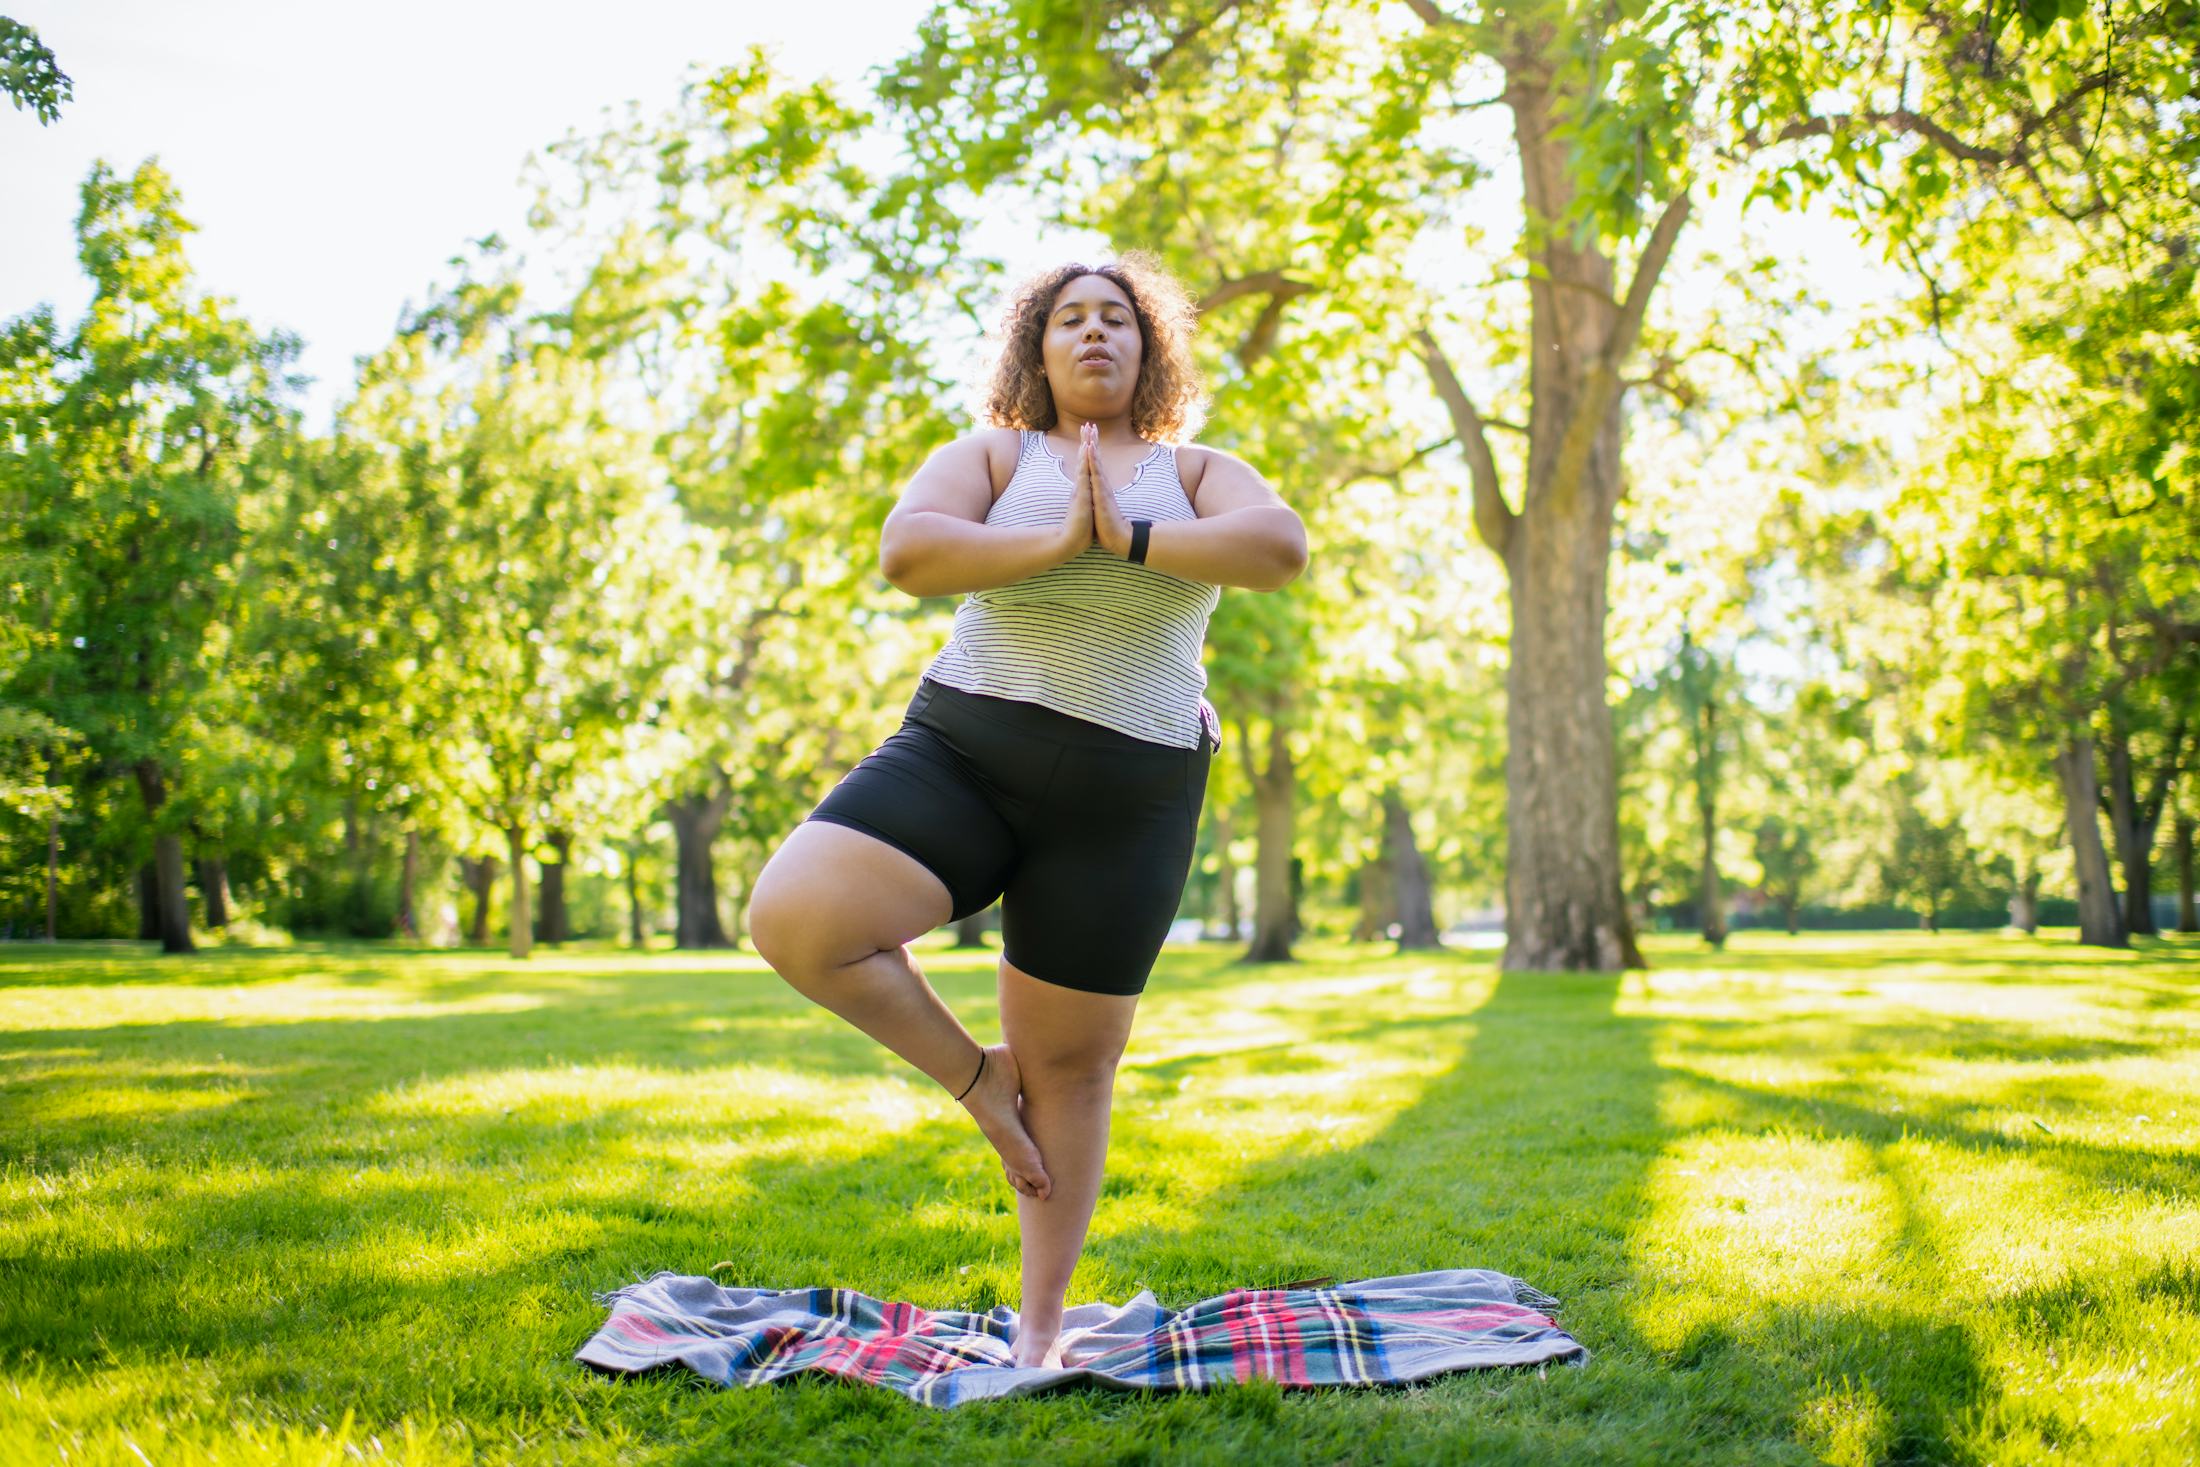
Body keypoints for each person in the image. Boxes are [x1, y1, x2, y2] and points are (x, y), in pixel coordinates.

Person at [745, 251, 1308, 1369]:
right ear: (1035, 350)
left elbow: (1279, 549)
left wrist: (1128, 538)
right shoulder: (993, 455)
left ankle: (1039, 1335)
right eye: (1069, 320)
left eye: (1117, 320)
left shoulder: (1196, 473)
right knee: (796, 917)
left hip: (1127, 797)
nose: (1094, 334)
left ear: (1149, 350)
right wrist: (1058, 539)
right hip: (966, 749)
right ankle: (974, 1077)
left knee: (1076, 1075)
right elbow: (909, 552)